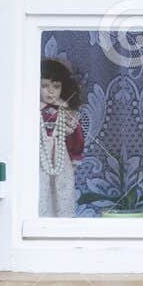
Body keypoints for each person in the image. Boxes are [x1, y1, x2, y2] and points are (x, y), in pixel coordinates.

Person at [39, 58, 84, 217]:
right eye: (45, 86)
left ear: (63, 88)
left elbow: (76, 138)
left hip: (61, 161)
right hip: (37, 160)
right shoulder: (31, 110)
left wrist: (75, 156)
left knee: (61, 191)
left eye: (56, 86)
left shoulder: (65, 112)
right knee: (39, 191)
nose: (50, 91)